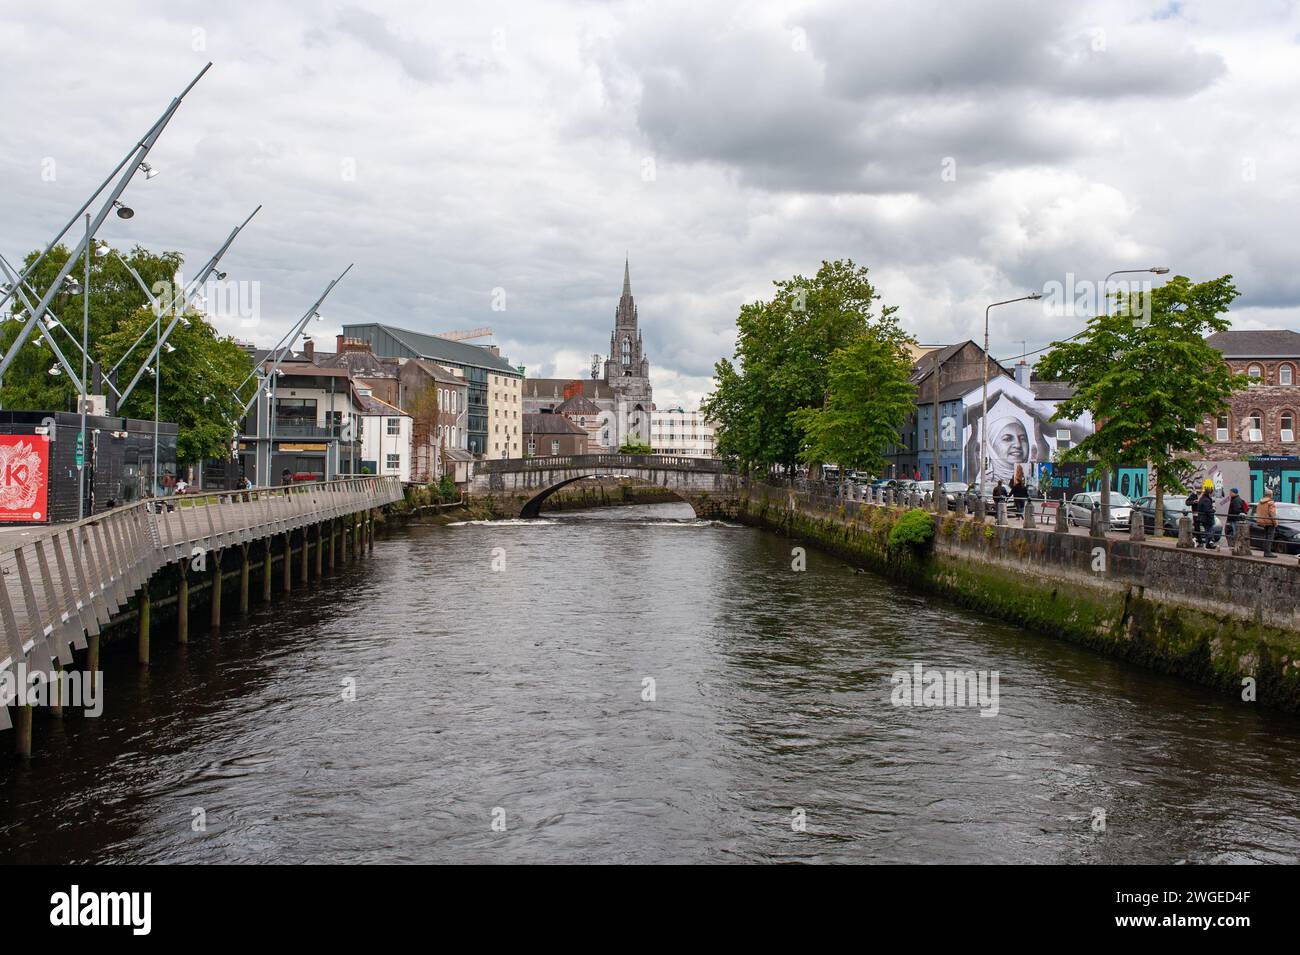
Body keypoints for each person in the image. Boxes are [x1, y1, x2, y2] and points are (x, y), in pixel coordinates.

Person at [1256, 490, 1278, 558]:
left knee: (1266, 536)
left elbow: (1258, 511)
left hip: (1263, 521)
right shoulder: (1271, 503)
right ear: (1271, 495)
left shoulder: (1260, 502)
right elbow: (1272, 514)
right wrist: (1275, 523)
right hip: (1269, 522)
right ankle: (1268, 552)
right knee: (1270, 537)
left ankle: (1266, 551)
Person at [1196, 484, 1217, 549]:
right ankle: (1209, 544)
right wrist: (1213, 510)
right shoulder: (1206, 500)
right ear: (1209, 493)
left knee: (1208, 531)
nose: (1213, 494)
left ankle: (1208, 544)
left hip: (1204, 518)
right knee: (1209, 531)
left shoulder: (1203, 498)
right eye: (1212, 493)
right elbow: (1207, 510)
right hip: (1206, 518)